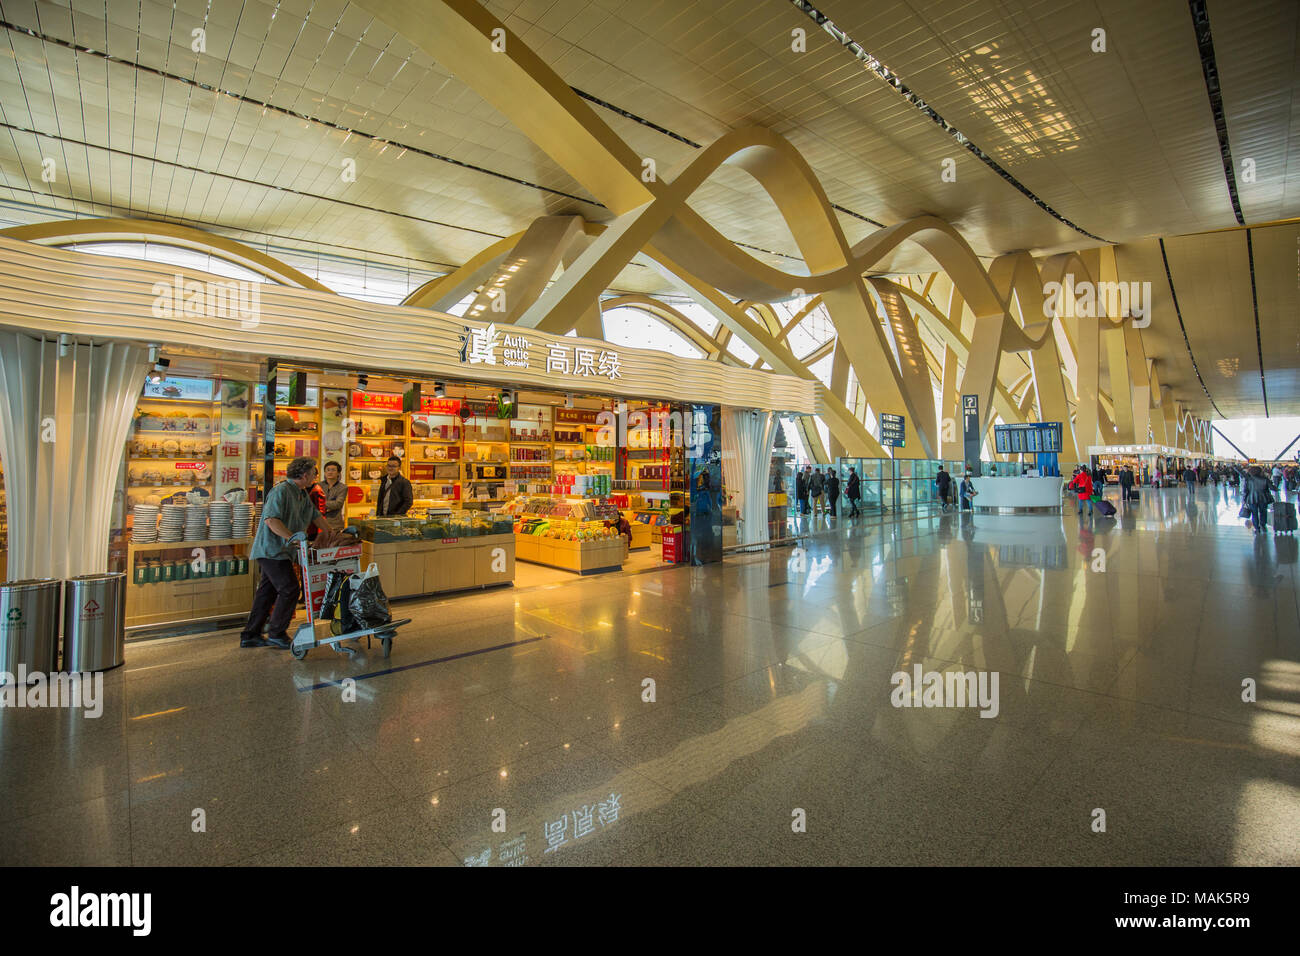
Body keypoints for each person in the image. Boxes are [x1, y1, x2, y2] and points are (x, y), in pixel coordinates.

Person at [238, 456, 336, 649]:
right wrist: (293, 538)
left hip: (283, 552)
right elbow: (271, 521)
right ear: (305, 474)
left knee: (267, 592)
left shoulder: (301, 493)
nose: (316, 476)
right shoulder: (281, 491)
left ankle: (250, 634)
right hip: (272, 550)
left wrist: (332, 534)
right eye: (315, 472)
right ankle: (276, 633)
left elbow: (315, 515)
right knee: (290, 588)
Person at [320, 460, 349, 531]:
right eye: (328, 470)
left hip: (335, 524)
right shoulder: (318, 486)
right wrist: (329, 505)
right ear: (325, 472)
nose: (330, 472)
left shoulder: (343, 487)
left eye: (333, 470)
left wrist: (320, 504)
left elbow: (338, 504)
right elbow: (312, 503)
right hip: (319, 523)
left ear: (338, 473)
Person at [1245, 465, 1273, 534]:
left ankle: (1257, 528)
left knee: (1254, 513)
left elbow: (1245, 490)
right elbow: (1272, 488)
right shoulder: (1265, 479)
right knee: (1263, 512)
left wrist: (1244, 500)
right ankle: (1263, 525)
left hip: (1251, 498)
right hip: (1263, 498)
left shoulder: (1249, 479)